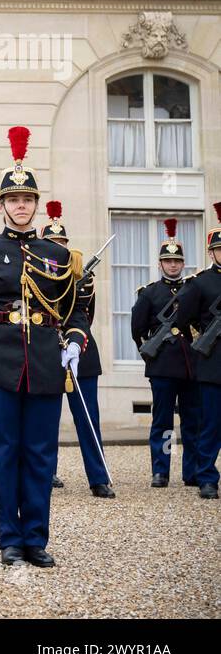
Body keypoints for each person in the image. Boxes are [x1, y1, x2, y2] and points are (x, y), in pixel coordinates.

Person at [0, 126, 89, 567]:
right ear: (1, 205)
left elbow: (77, 310)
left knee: (40, 455)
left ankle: (36, 538)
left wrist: (73, 340)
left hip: (48, 365)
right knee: (4, 453)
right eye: (13, 200)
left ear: (34, 203)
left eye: (28, 199)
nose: (21, 205)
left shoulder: (60, 255)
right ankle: (9, 539)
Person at [40, 201, 114, 498]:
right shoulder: (36, 280)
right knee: (45, 420)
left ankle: (98, 477)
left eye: (62, 243)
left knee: (87, 418)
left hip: (79, 352)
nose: (58, 248)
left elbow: (84, 317)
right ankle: (46, 474)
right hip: (45, 352)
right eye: (52, 243)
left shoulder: (84, 281)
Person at [130, 218, 201, 488]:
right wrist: (150, 354)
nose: (173, 265)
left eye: (177, 261)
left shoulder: (194, 290)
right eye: (168, 261)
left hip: (191, 365)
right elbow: (137, 329)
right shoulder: (149, 293)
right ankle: (161, 471)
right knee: (163, 422)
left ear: (183, 263)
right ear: (160, 263)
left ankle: (192, 471)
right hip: (161, 368)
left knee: (193, 420)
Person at [173, 202, 221, 500]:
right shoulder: (201, 283)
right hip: (213, 363)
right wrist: (203, 338)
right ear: (212, 252)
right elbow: (182, 319)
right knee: (211, 425)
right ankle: (206, 477)